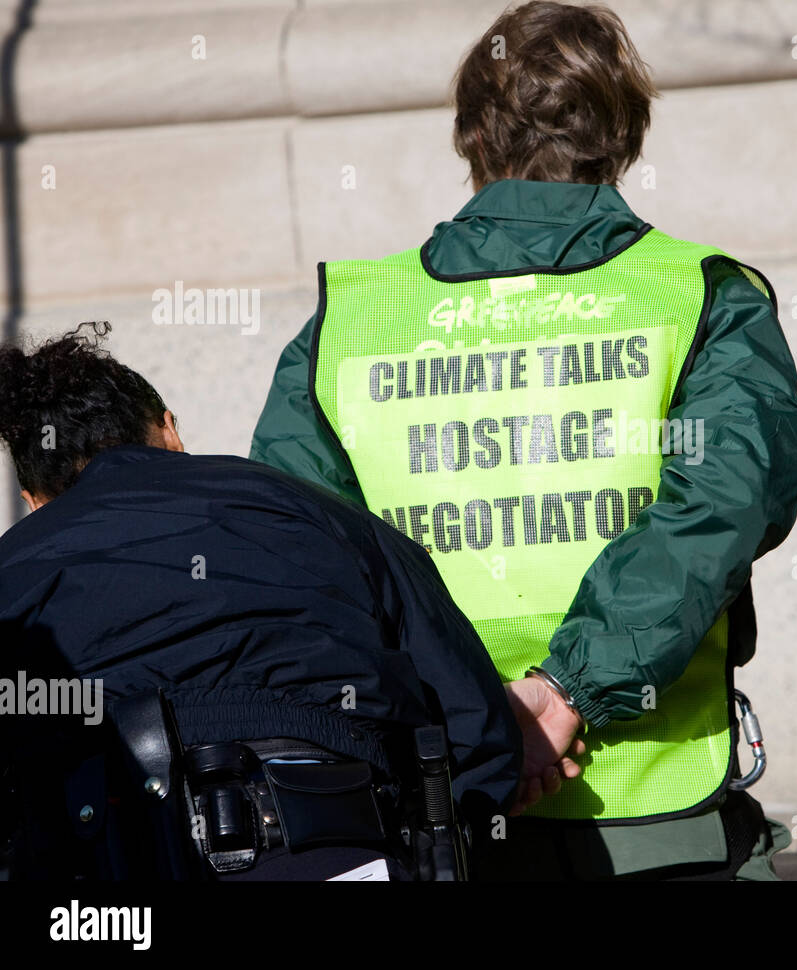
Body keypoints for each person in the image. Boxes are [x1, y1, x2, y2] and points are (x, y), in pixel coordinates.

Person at [249, 1, 797, 880]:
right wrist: (566, 692)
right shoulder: (700, 295)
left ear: (474, 137)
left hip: (445, 812)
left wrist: (477, 720)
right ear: (623, 131)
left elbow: (297, 567)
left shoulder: (347, 325)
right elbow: (726, 508)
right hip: (655, 816)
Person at [0, 322, 520, 880]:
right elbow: (471, 720)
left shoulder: (13, 571)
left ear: (32, 501)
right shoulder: (306, 506)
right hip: (335, 839)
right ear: (170, 430)